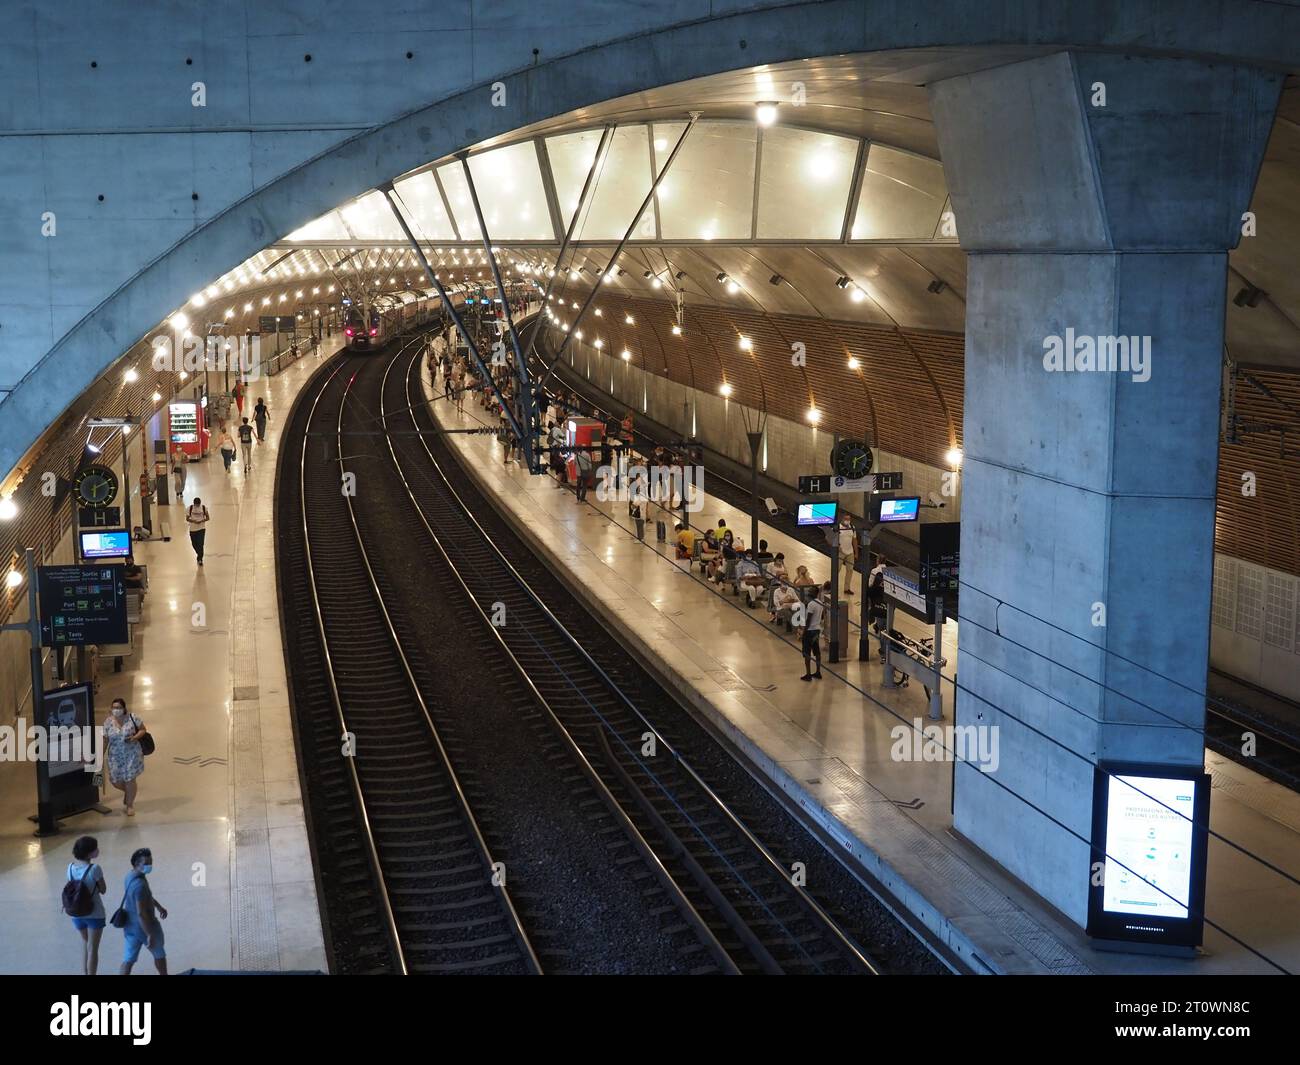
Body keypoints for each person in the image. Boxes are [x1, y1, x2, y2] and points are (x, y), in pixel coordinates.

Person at [119, 848, 168, 976]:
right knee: (159, 954)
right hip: (146, 926)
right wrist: (149, 934)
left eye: (151, 862)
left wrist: (158, 906)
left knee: (128, 960)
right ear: (137, 864)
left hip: (130, 926)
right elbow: (141, 913)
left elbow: (144, 898)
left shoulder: (130, 876)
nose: (149, 865)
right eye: (146, 863)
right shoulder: (139, 885)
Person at [65, 836, 107, 975]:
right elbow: (103, 890)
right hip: (94, 913)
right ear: (89, 853)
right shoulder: (95, 868)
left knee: (85, 943)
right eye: (95, 848)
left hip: (77, 913)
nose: (98, 850)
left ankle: (85, 973)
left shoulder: (70, 867)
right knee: (93, 948)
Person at [104, 698, 147, 816]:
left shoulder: (132, 718)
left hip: (131, 754)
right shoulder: (108, 722)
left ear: (124, 708)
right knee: (115, 781)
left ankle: (130, 805)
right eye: (114, 708)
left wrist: (135, 737)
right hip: (115, 757)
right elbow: (105, 739)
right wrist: (100, 755)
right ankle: (129, 793)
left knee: (130, 779)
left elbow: (143, 729)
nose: (116, 710)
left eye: (118, 708)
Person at [799, 586, 826, 681]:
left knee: (807, 652)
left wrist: (804, 631)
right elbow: (822, 616)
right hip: (817, 630)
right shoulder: (820, 603)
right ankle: (818, 672)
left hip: (810, 631)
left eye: (810, 591)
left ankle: (808, 674)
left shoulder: (811, 604)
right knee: (816, 651)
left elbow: (808, 619)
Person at [186, 497, 209, 566]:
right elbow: (187, 518)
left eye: (198, 505)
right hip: (192, 529)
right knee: (194, 544)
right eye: (196, 505)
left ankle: (200, 559)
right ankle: (199, 554)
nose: (197, 506)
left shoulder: (204, 508)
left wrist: (202, 521)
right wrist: (194, 521)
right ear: (194, 503)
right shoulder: (189, 508)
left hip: (201, 529)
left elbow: (208, 517)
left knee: (200, 544)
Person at [838, 516, 859, 595]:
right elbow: (829, 538)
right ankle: (832, 586)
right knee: (837, 570)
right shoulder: (838, 528)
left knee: (850, 570)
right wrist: (837, 546)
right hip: (840, 552)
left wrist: (856, 552)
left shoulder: (852, 528)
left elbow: (854, 540)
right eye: (846, 519)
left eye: (849, 519)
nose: (847, 521)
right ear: (842, 519)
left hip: (850, 552)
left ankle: (847, 588)